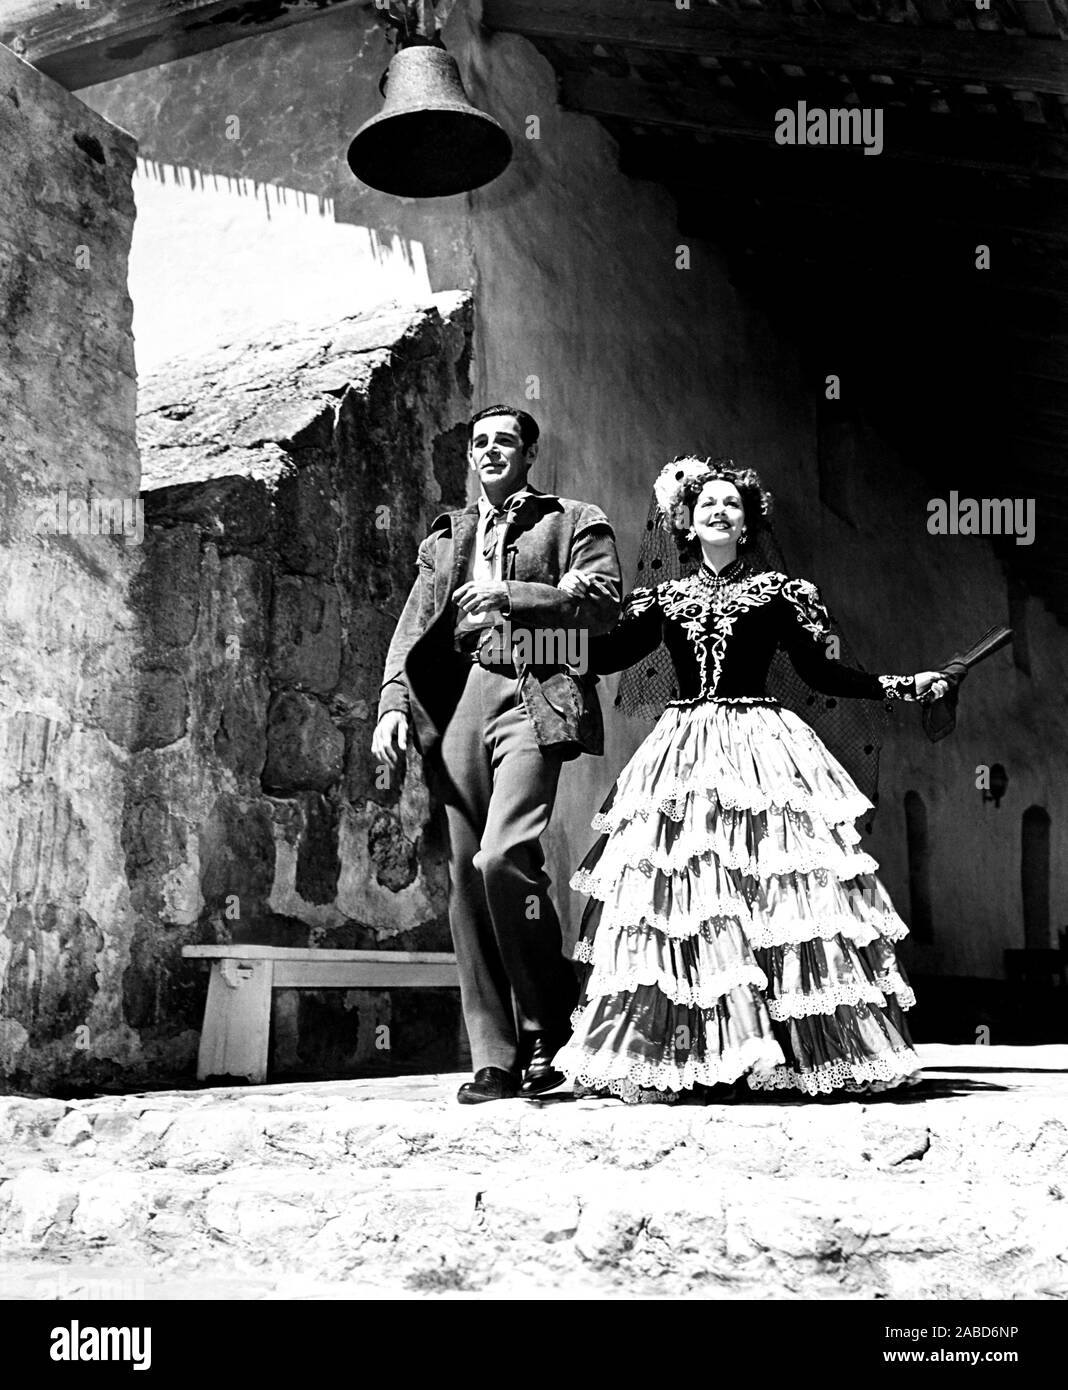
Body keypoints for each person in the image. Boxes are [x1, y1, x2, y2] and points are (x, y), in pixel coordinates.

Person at [553, 457, 949, 1103]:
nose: (718, 511)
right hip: (682, 754)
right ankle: (703, 1051)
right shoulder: (661, 599)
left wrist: (902, 685)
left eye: (731, 505)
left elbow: (826, 675)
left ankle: (786, 1048)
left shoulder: (781, 594)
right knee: (690, 896)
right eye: (705, 503)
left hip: (761, 749)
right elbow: (607, 655)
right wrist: (526, 647)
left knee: (779, 893)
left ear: (747, 522)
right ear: (684, 519)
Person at [372, 406, 622, 1103]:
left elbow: (604, 604)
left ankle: (548, 1020)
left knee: (502, 856)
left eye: (505, 440)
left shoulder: (570, 519)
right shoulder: (448, 534)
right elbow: (413, 626)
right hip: (457, 699)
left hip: (536, 688)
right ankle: (494, 1055)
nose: (490, 451)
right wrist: (393, 703)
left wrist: (512, 592)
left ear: (529, 452)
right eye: (479, 442)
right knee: (463, 876)